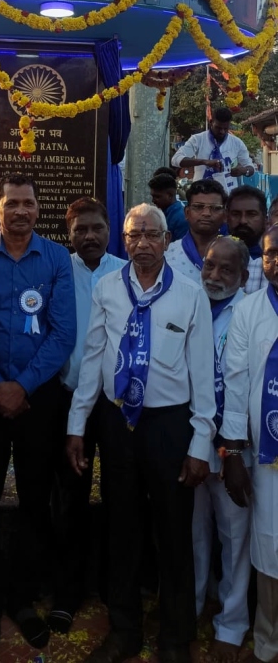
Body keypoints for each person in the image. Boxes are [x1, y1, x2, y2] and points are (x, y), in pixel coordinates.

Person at [67, 202, 216, 663]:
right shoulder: (107, 288)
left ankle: (175, 638)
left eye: (152, 235)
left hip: (170, 426)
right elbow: (93, 357)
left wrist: (199, 443)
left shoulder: (190, 295)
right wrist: (77, 425)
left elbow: (204, 375)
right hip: (117, 424)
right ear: (124, 240)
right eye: (134, 236)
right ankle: (124, 631)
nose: (143, 244)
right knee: (121, 530)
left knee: (173, 535)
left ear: (166, 241)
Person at [0, 173, 76, 650]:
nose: (21, 211)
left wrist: (22, 385)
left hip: (38, 395)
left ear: (37, 208)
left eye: (29, 203)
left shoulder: (55, 258)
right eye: (12, 203)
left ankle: (23, 597)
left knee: (34, 498)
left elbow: (62, 332)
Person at [50, 198, 125, 634]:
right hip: (70, 398)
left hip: (116, 405)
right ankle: (67, 591)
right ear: (70, 233)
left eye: (97, 228)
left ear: (109, 229)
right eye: (81, 230)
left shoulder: (126, 269)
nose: (90, 236)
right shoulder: (61, 270)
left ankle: (117, 589)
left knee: (120, 497)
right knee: (69, 499)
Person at [220, 223, 278, 663]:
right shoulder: (249, 311)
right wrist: (234, 452)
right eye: (272, 253)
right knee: (270, 546)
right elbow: (236, 385)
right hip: (265, 456)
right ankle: (266, 645)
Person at [194, 237, 251, 660]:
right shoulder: (187, 301)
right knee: (194, 533)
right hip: (192, 443)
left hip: (234, 446)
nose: (214, 276)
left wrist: (230, 450)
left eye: (225, 270)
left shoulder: (251, 312)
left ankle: (231, 625)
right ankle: (191, 606)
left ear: (244, 277)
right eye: (209, 266)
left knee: (235, 540)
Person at [172, 107, 254, 194]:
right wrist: (204, 162)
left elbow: (251, 168)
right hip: (201, 194)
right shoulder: (198, 139)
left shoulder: (237, 143)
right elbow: (175, 160)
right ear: (211, 122)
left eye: (225, 128)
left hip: (228, 197)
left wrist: (244, 171)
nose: (222, 131)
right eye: (218, 128)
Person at [166, 179, 227, 285]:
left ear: (225, 215)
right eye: (198, 207)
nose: (206, 213)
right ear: (187, 213)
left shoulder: (236, 254)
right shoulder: (167, 256)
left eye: (215, 208)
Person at [227, 185, 267, 294]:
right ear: (227, 218)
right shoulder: (213, 256)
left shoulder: (272, 262)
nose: (243, 221)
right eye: (236, 214)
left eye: (251, 214)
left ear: (265, 220)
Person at [149, 170, 188, 242]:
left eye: (157, 197)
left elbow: (182, 249)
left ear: (170, 195)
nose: (153, 201)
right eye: (152, 196)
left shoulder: (181, 219)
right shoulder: (159, 213)